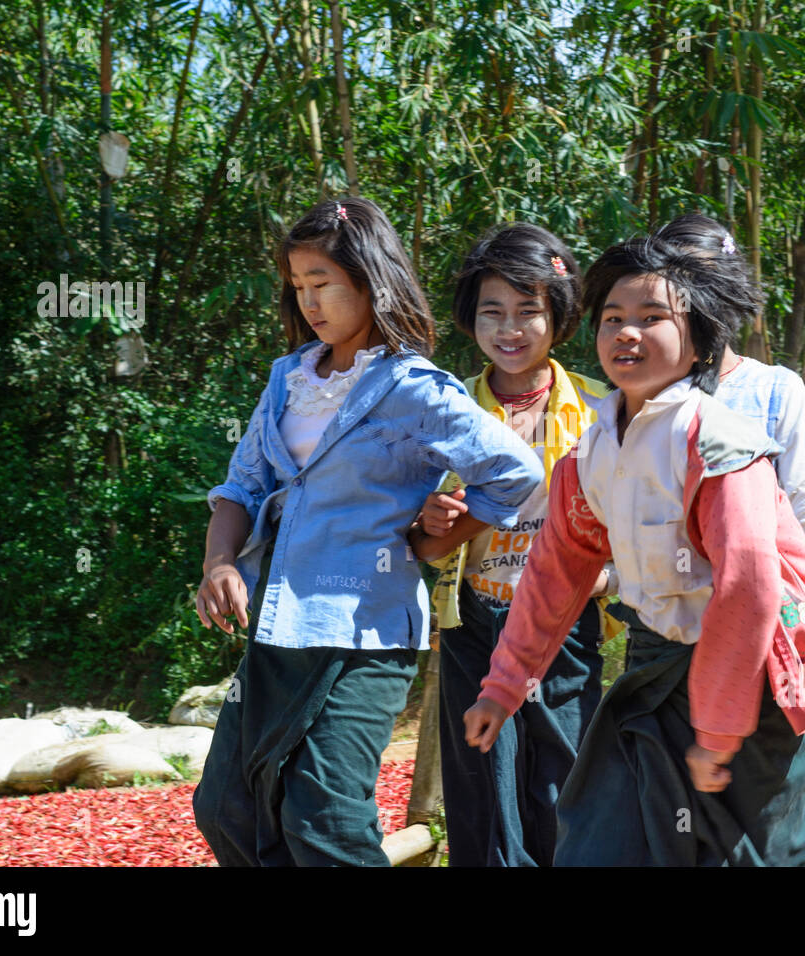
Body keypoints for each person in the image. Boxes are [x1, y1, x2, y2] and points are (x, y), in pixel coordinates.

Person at [464, 235, 805, 867]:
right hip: (656, 671)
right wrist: (505, 683)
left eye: (653, 318)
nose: (628, 333)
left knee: (755, 863)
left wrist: (718, 729)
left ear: (700, 338)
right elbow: (555, 572)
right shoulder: (592, 454)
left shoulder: (719, 446)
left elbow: (746, 591)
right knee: (605, 846)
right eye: (613, 319)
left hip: (757, 677)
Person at [190, 198, 543, 866]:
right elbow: (242, 487)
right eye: (299, 286)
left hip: (365, 632)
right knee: (228, 806)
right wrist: (219, 564)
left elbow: (514, 471)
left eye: (323, 282)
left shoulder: (413, 388)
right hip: (277, 624)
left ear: (370, 280)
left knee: (323, 816)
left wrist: (431, 543)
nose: (311, 300)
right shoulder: (287, 378)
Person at [408, 223, 620, 867]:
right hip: (475, 619)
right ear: (470, 319)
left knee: (563, 777)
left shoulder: (603, 407)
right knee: (481, 789)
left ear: (558, 316)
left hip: (569, 621)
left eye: (529, 310)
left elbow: (633, 517)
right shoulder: (441, 411)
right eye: (492, 311)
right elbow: (413, 539)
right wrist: (429, 522)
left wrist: (608, 578)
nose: (510, 328)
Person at [653, 214, 805, 717]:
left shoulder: (774, 389)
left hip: (768, 632)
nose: (694, 304)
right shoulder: (637, 397)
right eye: (675, 291)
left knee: (766, 787)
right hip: (663, 637)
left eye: (706, 286)